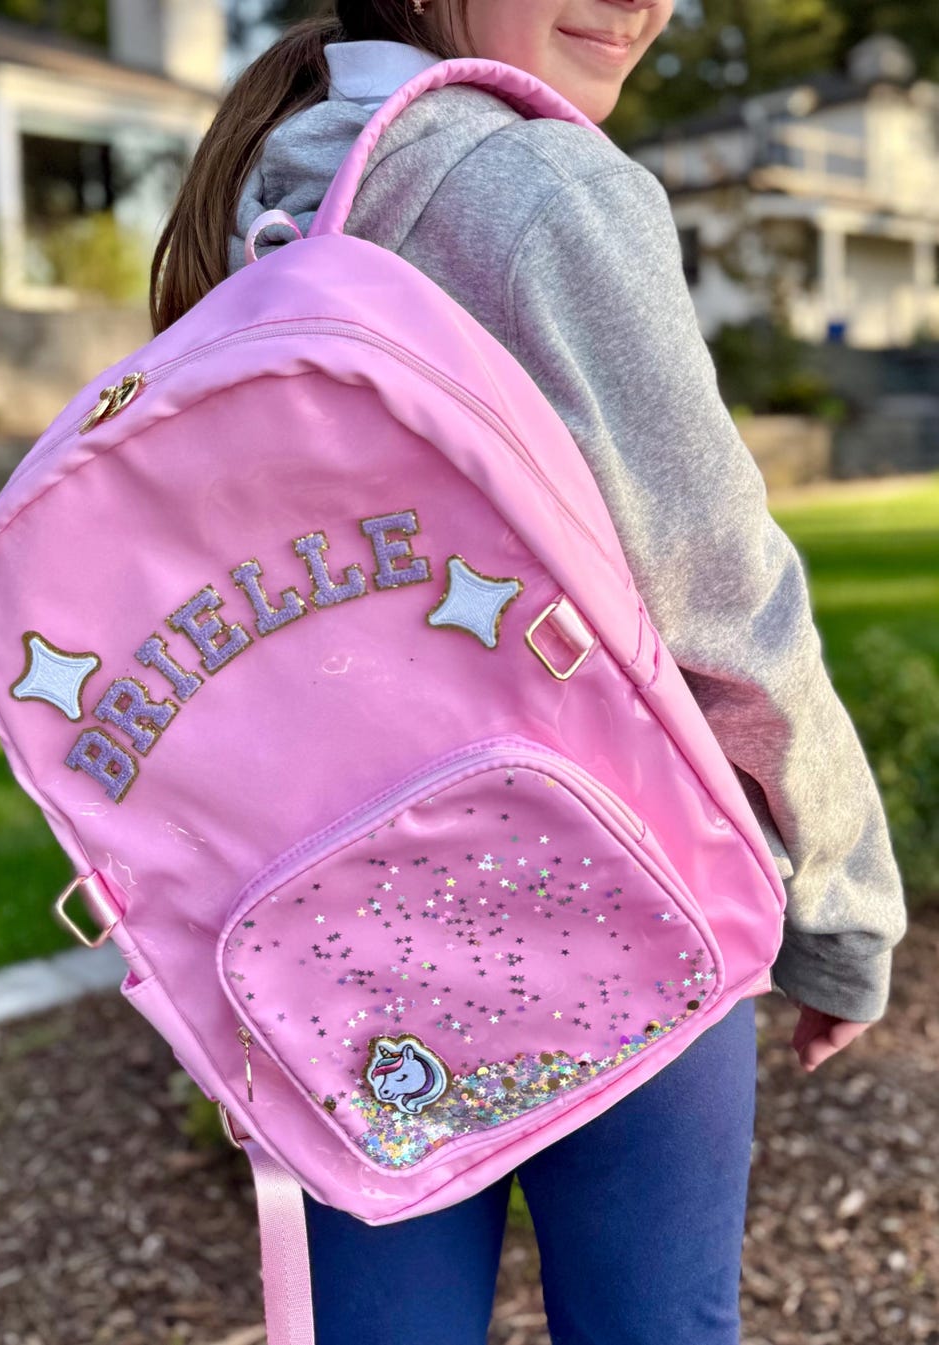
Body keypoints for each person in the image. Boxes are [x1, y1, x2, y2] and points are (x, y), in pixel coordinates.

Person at [150, 3, 907, 1341]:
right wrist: (842, 902)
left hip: (329, 930)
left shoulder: (265, 183)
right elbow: (719, 595)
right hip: (613, 895)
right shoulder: (541, 185)